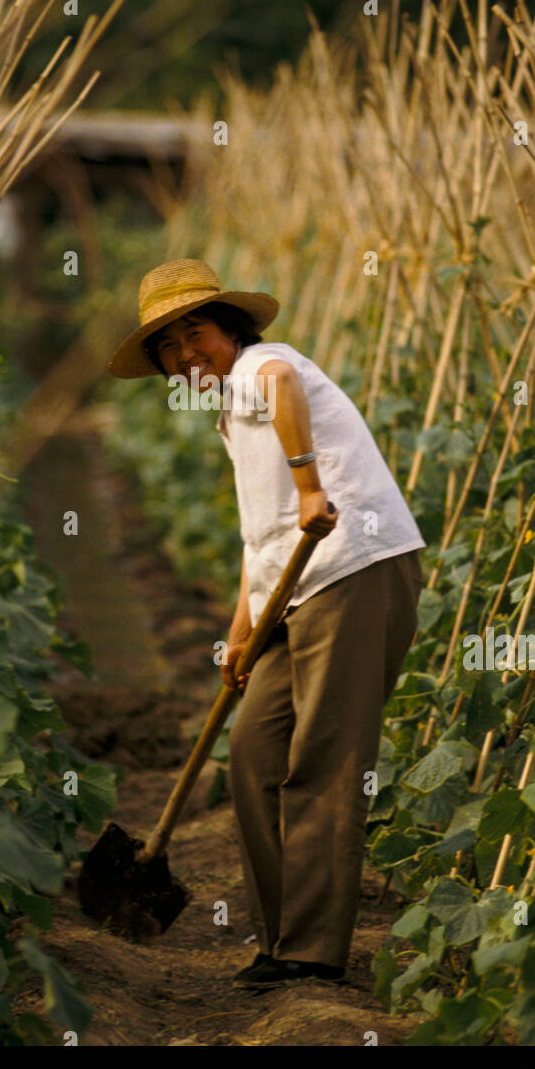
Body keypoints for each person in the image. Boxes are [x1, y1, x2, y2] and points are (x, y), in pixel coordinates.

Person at [108, 259, 425, 988]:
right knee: (252, 754)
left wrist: (312, 483)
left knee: (322, 758)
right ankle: (280, 935)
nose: (188, 355)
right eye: (169, 347)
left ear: (232, 331)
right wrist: (242, 628)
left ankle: (311, 951)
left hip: (354, 571)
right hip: (296, 589)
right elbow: (264, 537)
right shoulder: (229, 410)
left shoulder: (263, 367)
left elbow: (283, 395)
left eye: (199, 335)